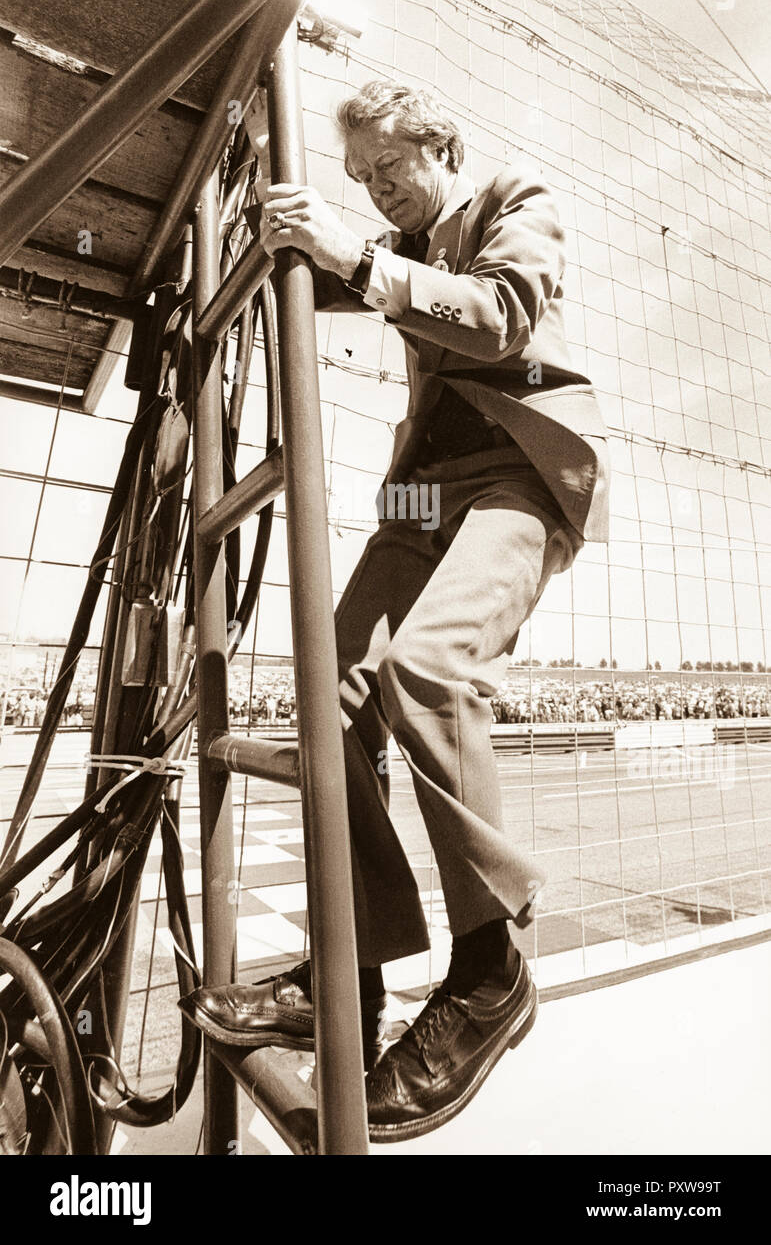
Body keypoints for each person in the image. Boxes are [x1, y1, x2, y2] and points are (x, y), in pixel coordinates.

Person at [184, 80, 611, 1140]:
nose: (377, 192)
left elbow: (502, 313)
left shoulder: (520, 198)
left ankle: (488, 968)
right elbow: (330, 275)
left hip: (518, 476)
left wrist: (361, 256)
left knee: (431, 669)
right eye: (362, 180)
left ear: (445, 146)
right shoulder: (400, 240)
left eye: (390, 171)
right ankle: (356, 972)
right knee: (327, 701)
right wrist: (273, 220)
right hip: (424, 494)